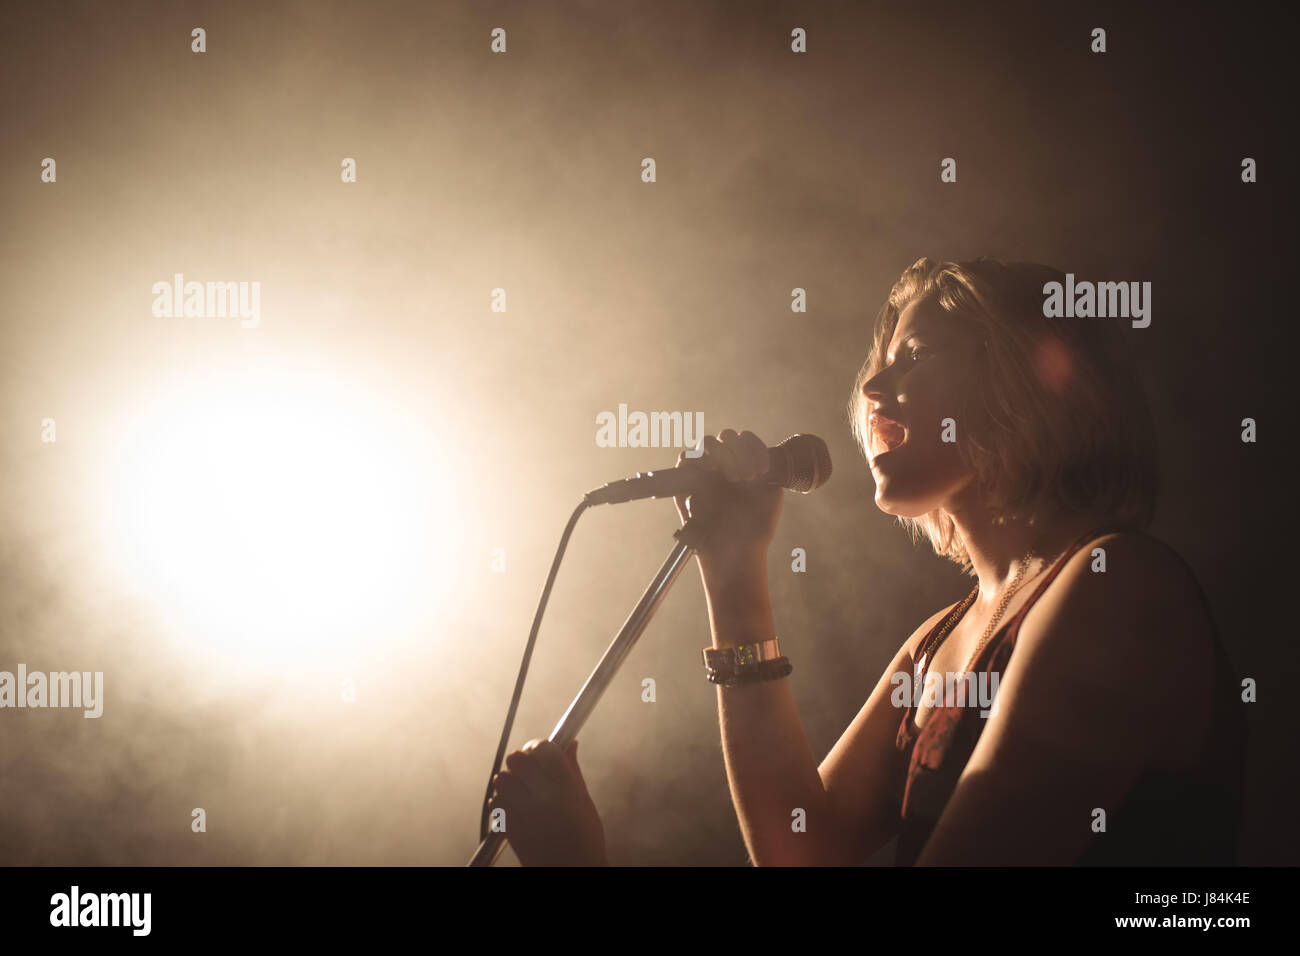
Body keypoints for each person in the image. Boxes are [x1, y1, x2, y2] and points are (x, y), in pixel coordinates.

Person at [488, 256, 1246, 866]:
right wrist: (734, 572)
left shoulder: (1117, 588)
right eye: (878, 365)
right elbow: (800, 848)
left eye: (914, 357)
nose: (874, 388)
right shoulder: (937, 640)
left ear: (1026, 383)